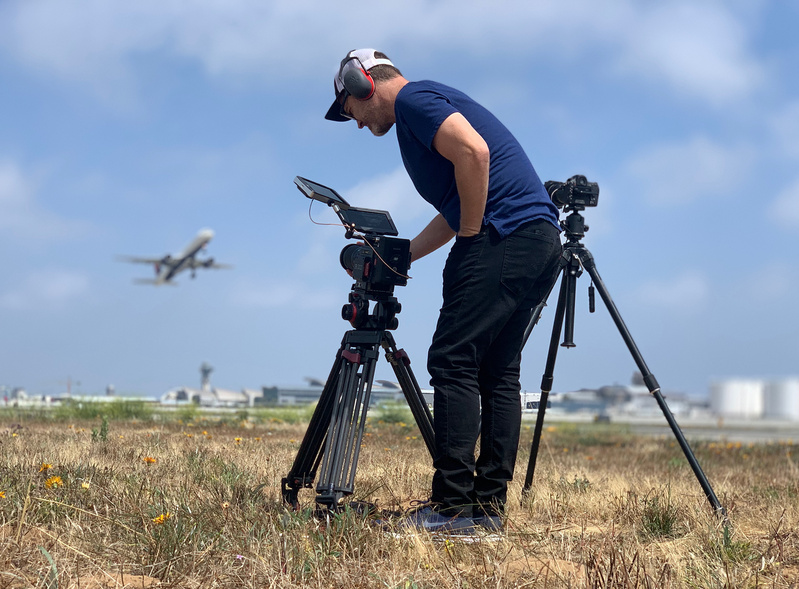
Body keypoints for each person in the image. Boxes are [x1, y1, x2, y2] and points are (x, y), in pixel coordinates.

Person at [325, 49, 563, 533]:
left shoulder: (414, 99)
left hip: (501, 236)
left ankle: (452, 508)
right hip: (537, 240)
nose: (354, 124)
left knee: (452, 360)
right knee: (497, 372)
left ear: (362, 82)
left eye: (349, 109)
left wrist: (473, 238)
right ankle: (485, 512)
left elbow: (474, 154)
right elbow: (459, 200)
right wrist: (407, 253)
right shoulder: (424, 108)